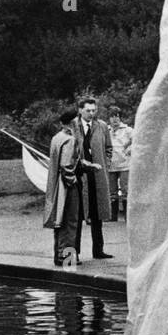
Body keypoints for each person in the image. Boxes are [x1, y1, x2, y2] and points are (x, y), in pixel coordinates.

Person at [43, 107, 85, 267]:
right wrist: (73, 181)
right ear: (73, 122)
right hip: (67, 186)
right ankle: (67, 257)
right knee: (70, 221)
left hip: (56, 184)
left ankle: (59, 254)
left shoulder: (57, 137)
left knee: (60, 220)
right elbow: (66, 165)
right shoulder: (70, 139)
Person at [73, 95, 113, 260]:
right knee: (77, 215)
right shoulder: (73, 126)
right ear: (80, 110)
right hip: (78, 175)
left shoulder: (102, 126)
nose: (91, 113)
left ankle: (98, 250)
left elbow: (109, 148)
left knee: (97, 215)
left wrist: (106, 164)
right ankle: (74, 253)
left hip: (97, 175)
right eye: (88, 110)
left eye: (93, 110)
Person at [107, 106, 134, 220]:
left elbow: (137, 139)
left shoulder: (127, 130)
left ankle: (128, 217)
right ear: (109, 118)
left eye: (117, 116)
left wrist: (130, 148)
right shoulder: (106, 130)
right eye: (112, 116)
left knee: (125, 190)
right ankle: (113, 216)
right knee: (112, 191)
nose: (115, 119)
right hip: (111, 164)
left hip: (125, 164)